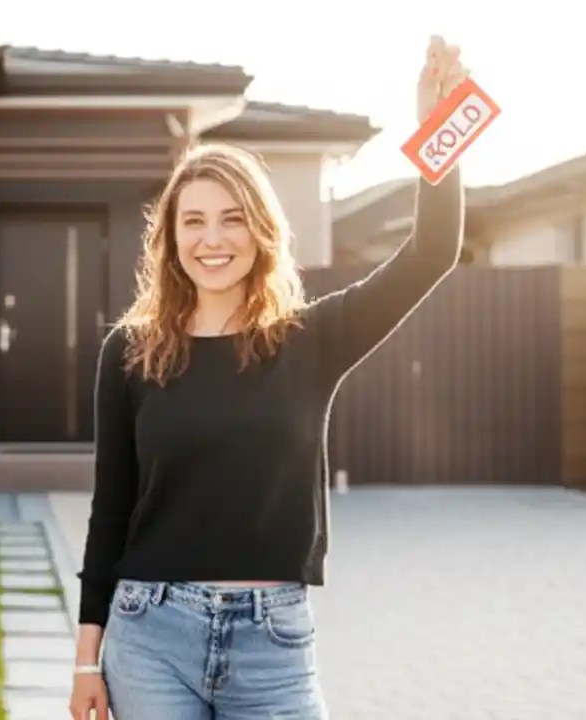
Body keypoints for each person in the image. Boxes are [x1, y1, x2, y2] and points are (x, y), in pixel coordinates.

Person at [68, 36, 468, 720]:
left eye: (232, 220)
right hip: (149, 637)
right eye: (193, 221)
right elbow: (110, 514)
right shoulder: (129, 352)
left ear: (261, 233)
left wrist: (440, 124)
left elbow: (431, 252)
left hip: (274, 642)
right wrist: (85, 659)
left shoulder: (312, 340)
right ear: (169, 238)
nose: (212, 239)